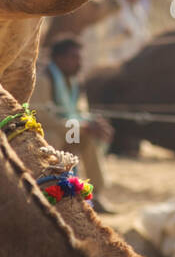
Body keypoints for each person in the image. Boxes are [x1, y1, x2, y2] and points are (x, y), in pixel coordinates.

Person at [30, 36, 115, 212]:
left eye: (79, 58)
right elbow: (41, 116)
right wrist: (78, 125)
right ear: (59, 59)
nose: (79, 63)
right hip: (47, 131)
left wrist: (92, 123)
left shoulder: (75, 81)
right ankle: (53, 192)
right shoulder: (44, 80)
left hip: (70, 129)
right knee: (52, 140)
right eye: (74, 58)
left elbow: (80, 112)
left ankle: (95, 195)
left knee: (90, 139)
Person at [110, 0, 151, 64]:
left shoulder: (138, 8)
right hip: (117, 57)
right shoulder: (115, 6)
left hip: (135, 55)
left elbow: (142, 30)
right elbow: (127, 32)